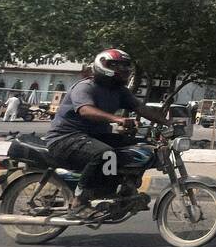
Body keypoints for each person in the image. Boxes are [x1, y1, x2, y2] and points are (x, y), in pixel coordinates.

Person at [46, 49, 169, 215]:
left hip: (93, 137)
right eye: (117, 65)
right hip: (65, 138)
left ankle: (123, 189)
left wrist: (170, 123)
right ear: (103, 66)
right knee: (104, 154)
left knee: (143, 147)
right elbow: (85, 110)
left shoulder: (120, 92)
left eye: (126, 66)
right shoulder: (85, 87)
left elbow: (141, 108)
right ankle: (79, 201)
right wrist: (117, 119)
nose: (123, 69)